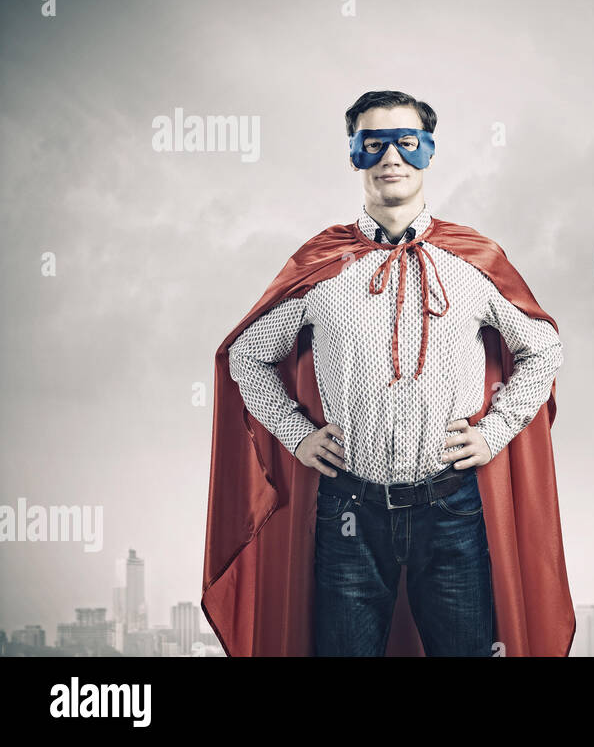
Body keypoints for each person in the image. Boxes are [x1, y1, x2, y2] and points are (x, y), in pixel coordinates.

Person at [205, 89, 572, 656]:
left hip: (450, 508)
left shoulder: (473, 261)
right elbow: (246, 356)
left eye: (407, 142)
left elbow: (542, 348)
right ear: (354, 153)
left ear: (428, 152)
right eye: (372, 143)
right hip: (349, 511)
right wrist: (298, 437)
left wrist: (494, 433)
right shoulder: (322, 265)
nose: (390, 157)